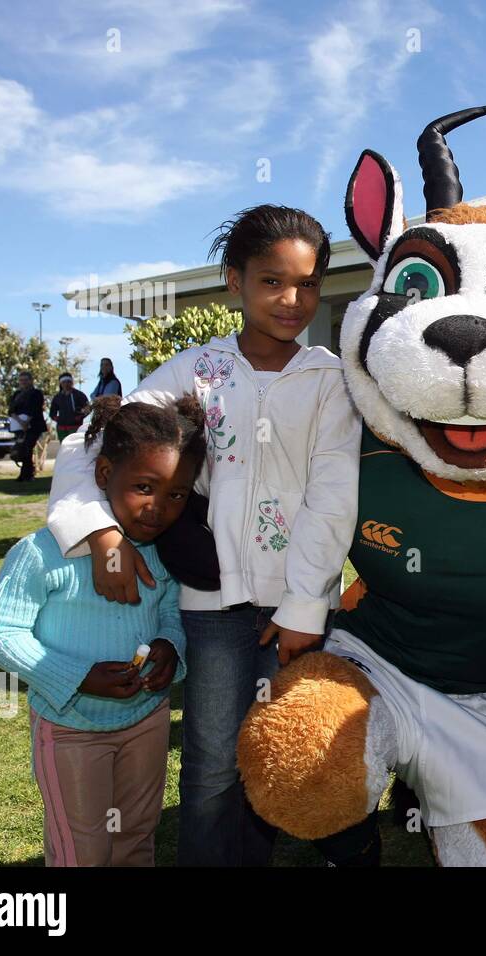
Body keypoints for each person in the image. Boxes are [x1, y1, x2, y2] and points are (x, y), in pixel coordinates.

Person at [46, 204, 362, 867]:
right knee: (214, 763)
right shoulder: (196, 370)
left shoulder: (331, 379)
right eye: (272, 280)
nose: (291, 299)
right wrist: (102, 532)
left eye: (308, 284)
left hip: (296, 614)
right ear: (234, 281)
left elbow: (335, 494)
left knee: (280, 758)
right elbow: (96, 438)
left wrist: (306, 605)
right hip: (213, 610)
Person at [0, 397, 204, 865]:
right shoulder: (42, 553)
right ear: (103, 475)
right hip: (70, 732)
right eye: (144, 487)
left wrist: (169, 647)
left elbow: (170, 614)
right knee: (82, 849)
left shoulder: (162, 552)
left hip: (147, 722)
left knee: (136, 837)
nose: (157, 508)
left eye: (176, 494)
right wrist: (78, 676)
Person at [8, 370, 46, 482]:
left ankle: (28, 474)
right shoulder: (17, 394)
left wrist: (26, 422)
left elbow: (35, 409)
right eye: (21, 380)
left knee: (28, 448)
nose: (23, 382)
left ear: (31, 381)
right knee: (22, 449)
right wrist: (20, 421)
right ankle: (24, 474)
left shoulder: (36, 393)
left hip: (33, 425)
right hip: (19, 425)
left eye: (25, 380)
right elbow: (11, 410)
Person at [49, 372, 90, 443]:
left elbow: (88, 408)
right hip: (61, 428)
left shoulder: (79, 395)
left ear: (72, 382)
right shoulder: (57, 397)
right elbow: (52, 412)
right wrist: (58, 419)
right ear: (61, 383)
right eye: (64, 382)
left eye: (68, 382)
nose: (66, 384)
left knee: (75, 447)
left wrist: (80, 417)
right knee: (64, 447)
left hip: (75, 427)